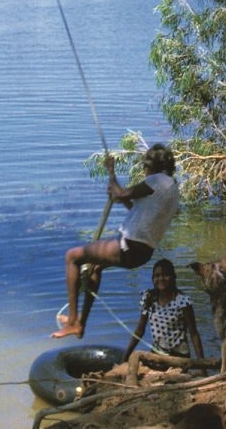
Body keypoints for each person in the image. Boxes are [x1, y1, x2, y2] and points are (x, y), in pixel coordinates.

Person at [53, 144, 179, 339]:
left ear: (152, 166)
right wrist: (117, 194)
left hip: (129, 245)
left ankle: (72, 321)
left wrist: (111, 172)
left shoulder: (157, 180)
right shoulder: (172, 188)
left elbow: (121, 193)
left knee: (72, 257)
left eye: (145, 166)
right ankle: (80, 324)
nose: (144, 171)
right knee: (94, 267)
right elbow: (134, 208)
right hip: (143, 252)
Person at [124, 258, 205, 367]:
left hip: (179, 356)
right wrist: (125, 357)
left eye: (165, 275)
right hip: (158, 354)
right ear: (153, 279)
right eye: (157, 276)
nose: (161, 279)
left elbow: (193, 333)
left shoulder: (183, 301)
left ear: (173, 277)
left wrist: (202, 364)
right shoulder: (148, 298)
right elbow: (140, 330)